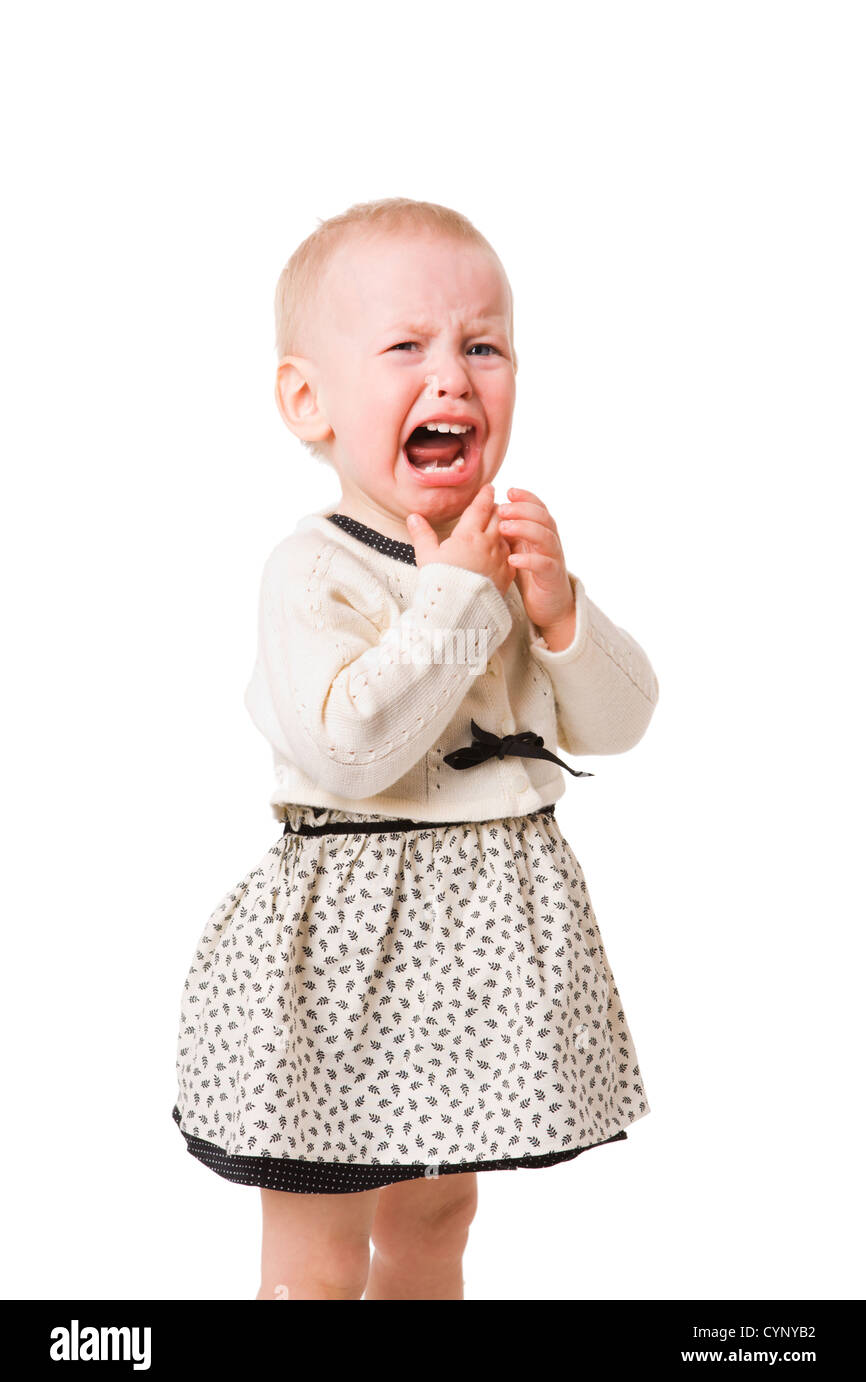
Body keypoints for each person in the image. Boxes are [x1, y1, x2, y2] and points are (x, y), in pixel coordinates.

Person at [172, 197, 660, 1301]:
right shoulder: (312, 572)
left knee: (439, 1209)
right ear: (309, 400)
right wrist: (459, 592)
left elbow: (618, 723)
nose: (451, 376)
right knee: (321, 1234)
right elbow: (354, 750)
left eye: (481, 347)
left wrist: (559, 608)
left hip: (476, 953)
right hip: (345, 954)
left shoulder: (505, 560)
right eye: (405, 347)